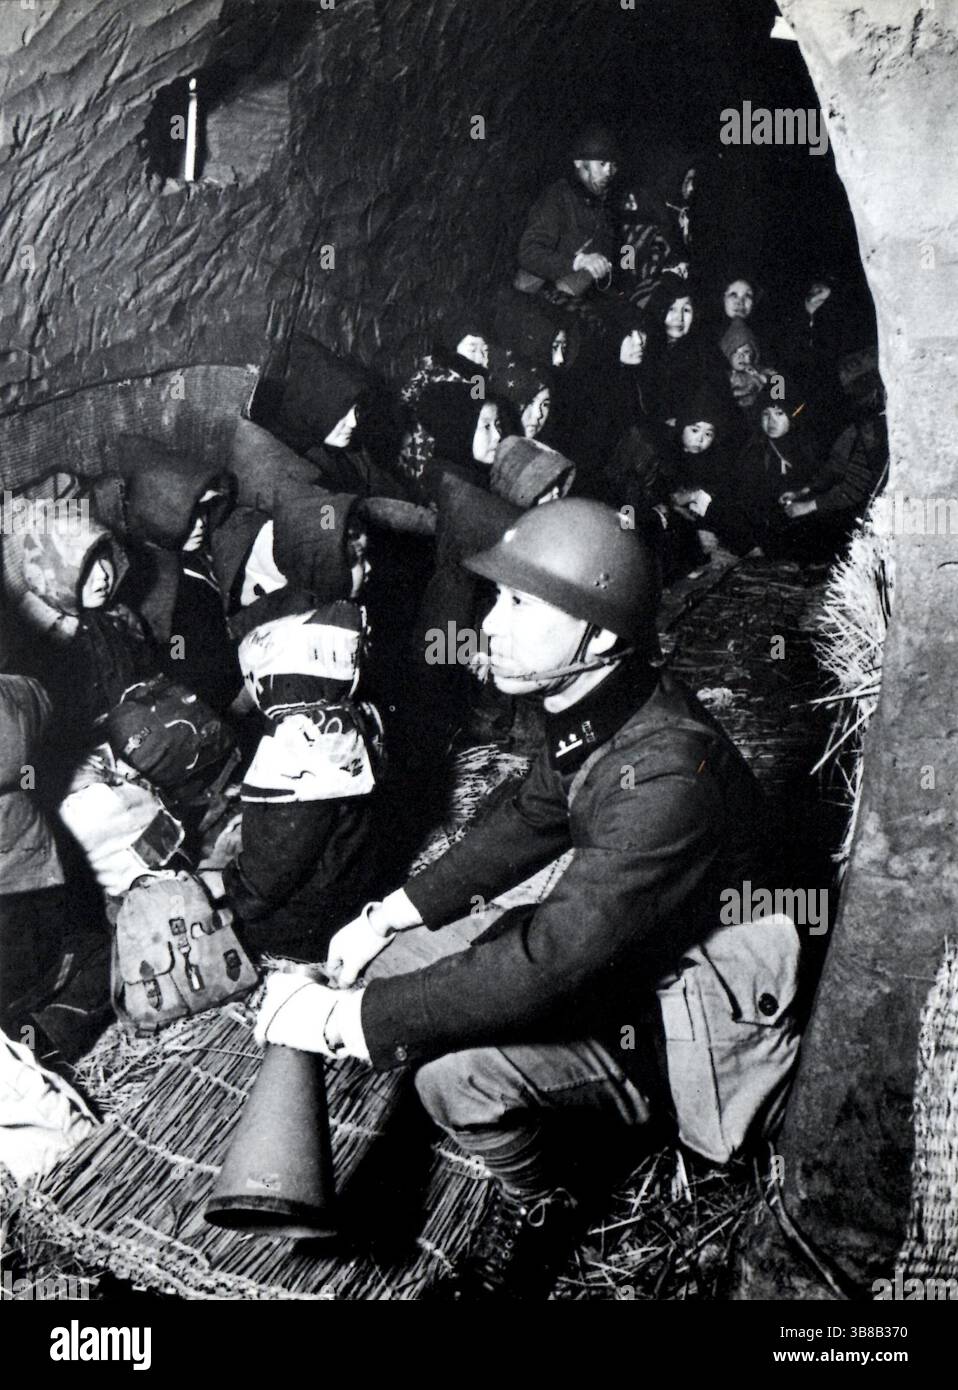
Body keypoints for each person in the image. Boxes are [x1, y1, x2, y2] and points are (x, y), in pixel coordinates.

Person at [255, 499, 776, 1301]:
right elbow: (532, 816)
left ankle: (545, 1201)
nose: (490, 624)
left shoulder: (669, 775)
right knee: (399, 963)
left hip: (681, 1023)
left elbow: (548, 966)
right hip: (624, 949)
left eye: (522, 604)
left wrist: (337, 1022)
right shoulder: (608, 701)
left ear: (598, 636)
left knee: (452, 1076)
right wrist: (389, 914)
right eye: (497, 598)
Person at [516, 124, 619, 299]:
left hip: (568, 294)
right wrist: (578, 262)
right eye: (602, 164)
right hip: (532, 292)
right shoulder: (558, 197)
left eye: (613, 165)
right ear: (579, 162)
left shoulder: (604, 202)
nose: (609, 172)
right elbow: (528, 253)